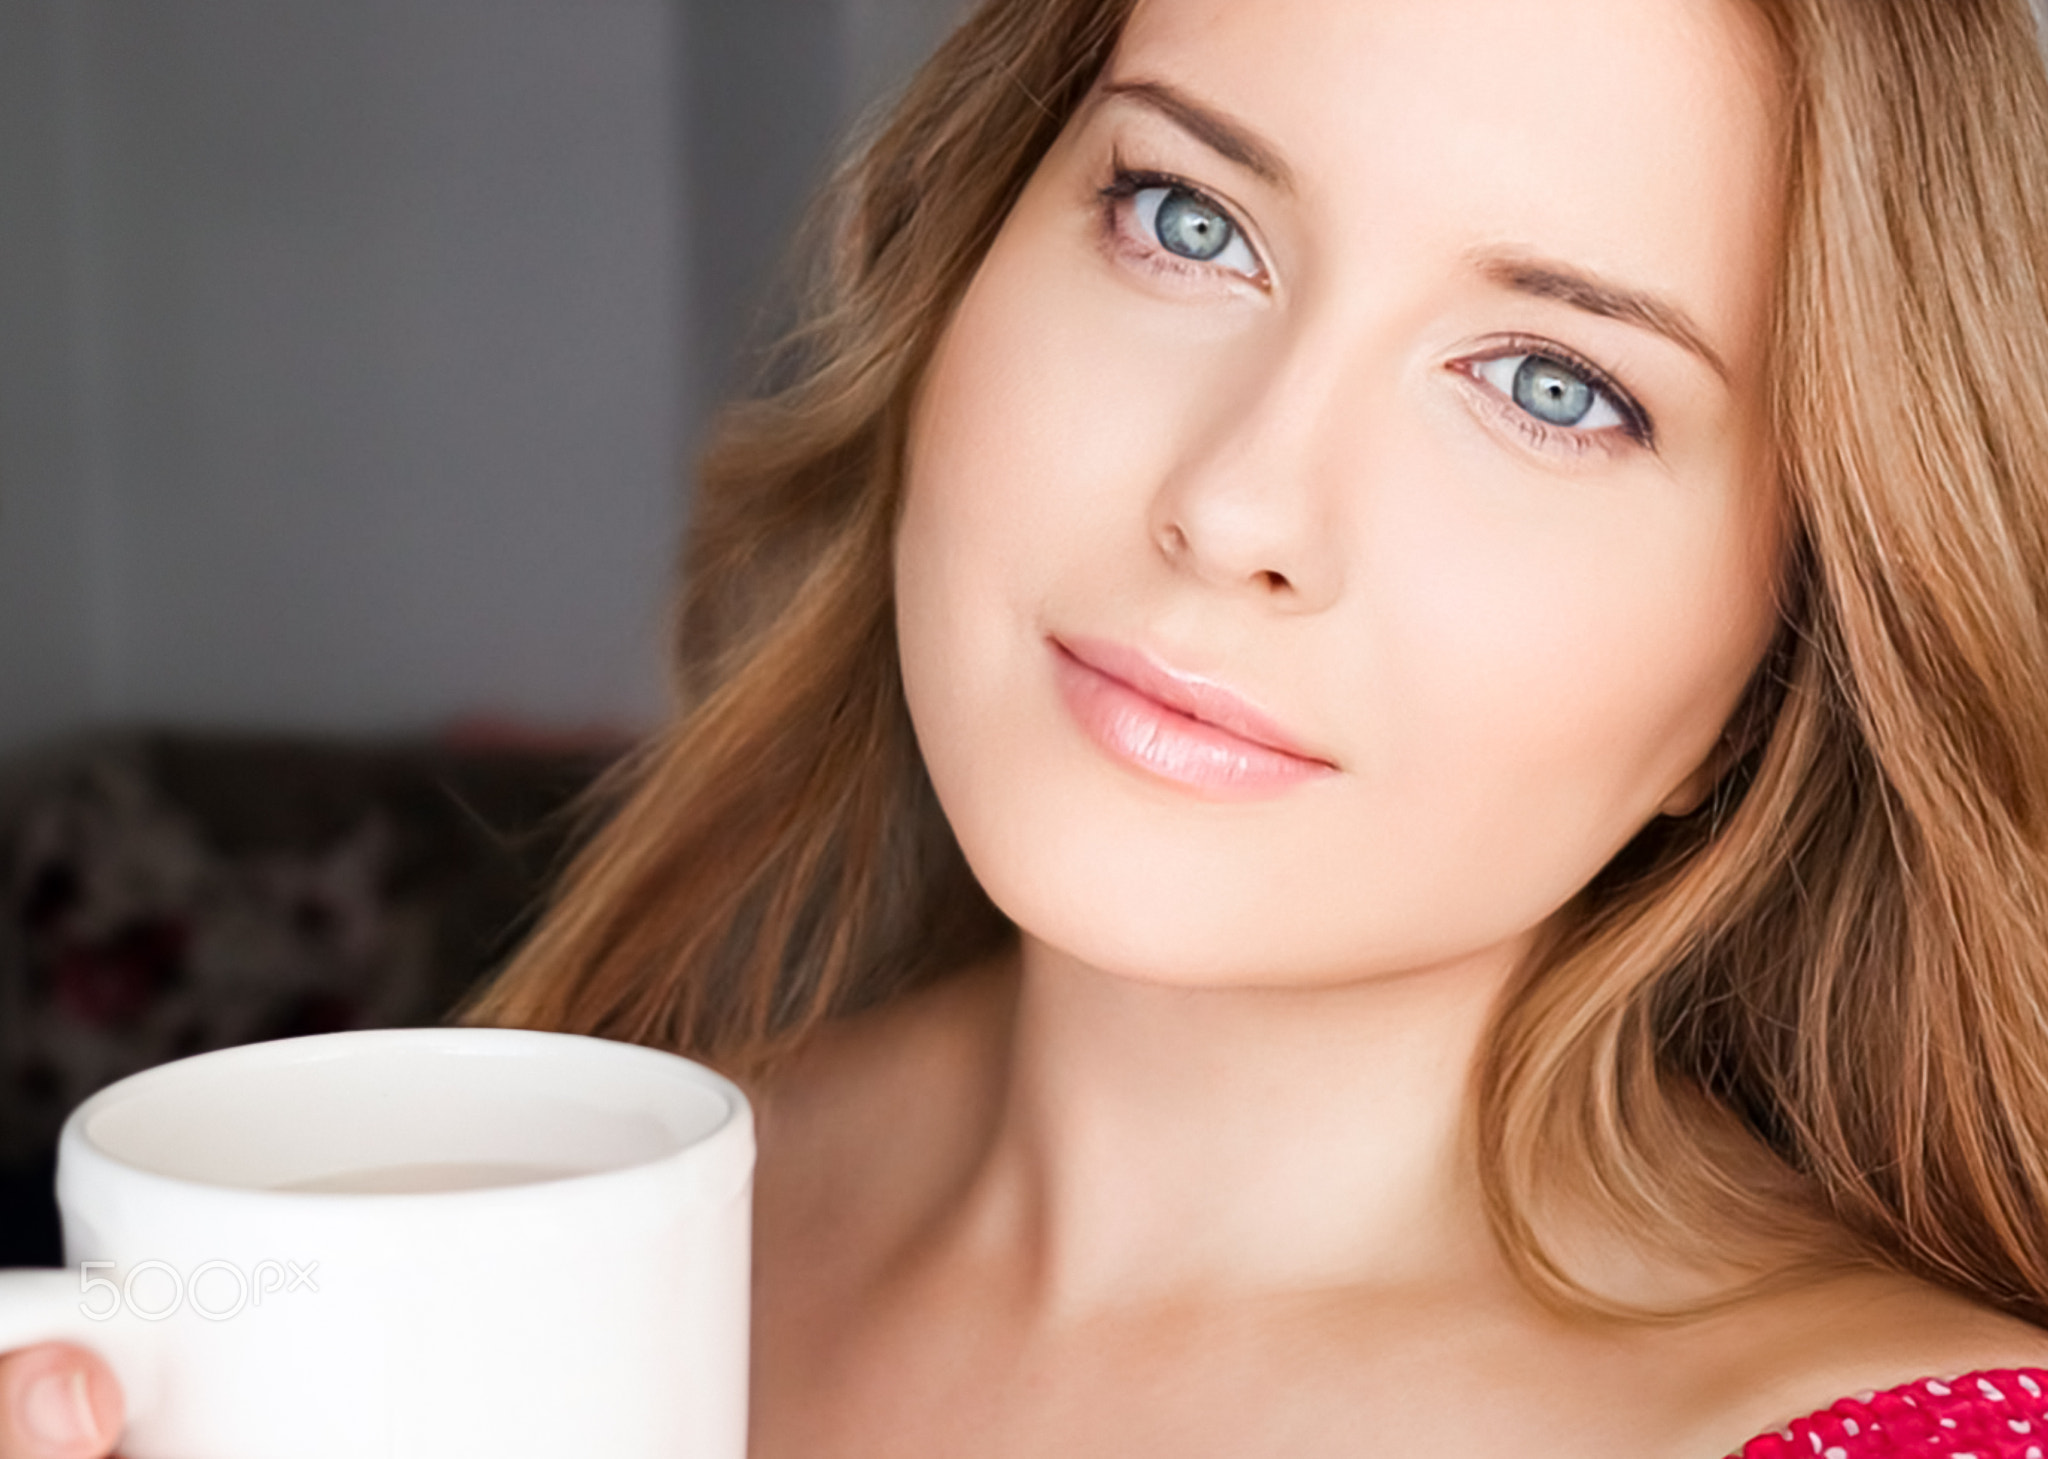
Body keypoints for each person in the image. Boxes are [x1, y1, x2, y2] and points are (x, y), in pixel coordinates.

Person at [11, 0, 2048, 1452]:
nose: (1238, 503)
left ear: (1782, 653)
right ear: (963, 255)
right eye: (1187, 221)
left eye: (1550, 385)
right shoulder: (531, 1216)